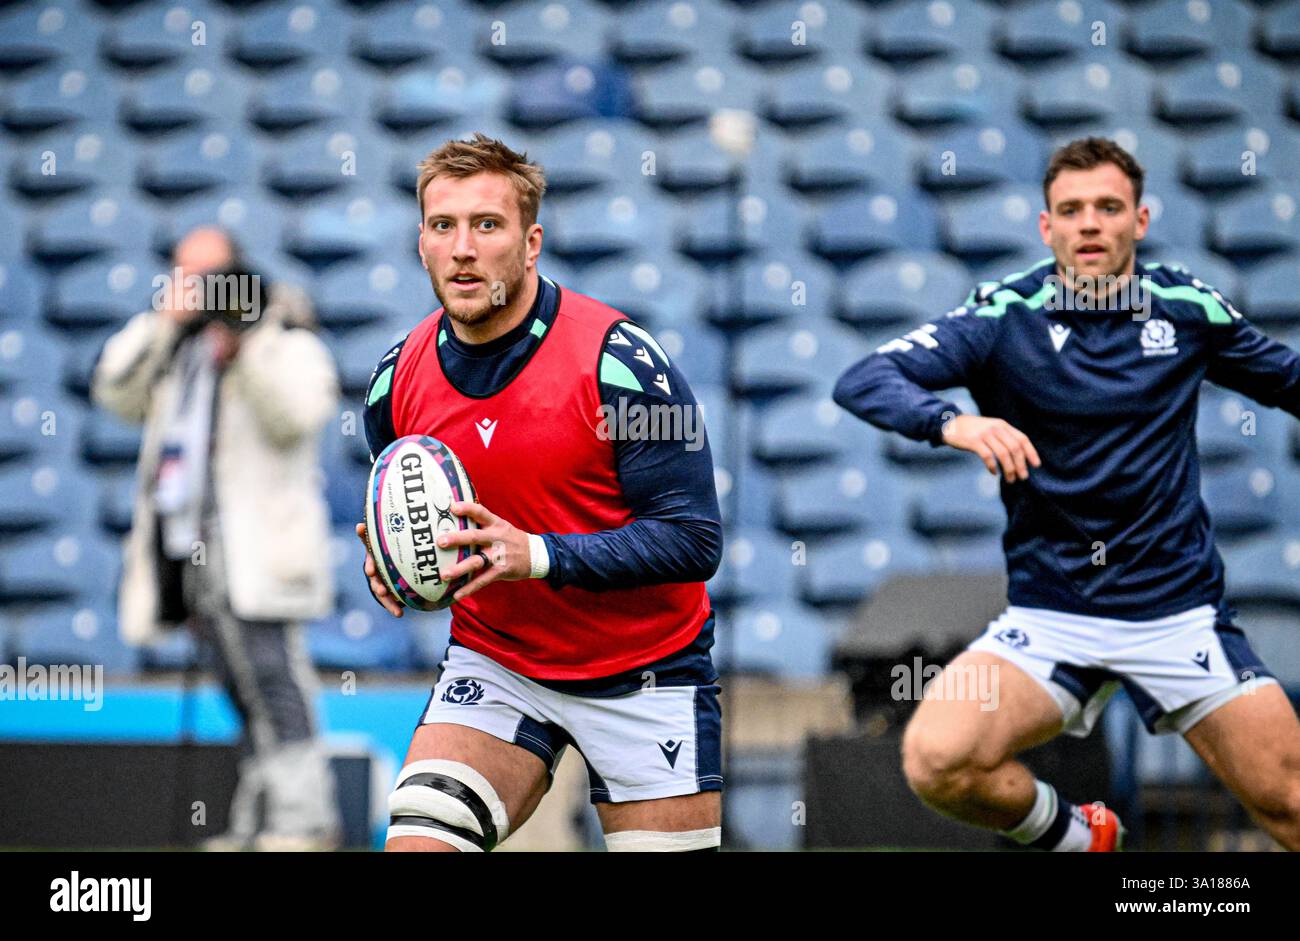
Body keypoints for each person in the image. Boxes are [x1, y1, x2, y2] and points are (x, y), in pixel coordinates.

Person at [833, 137, 1300, 851]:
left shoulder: (1185, 308)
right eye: (1071, 209)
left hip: (1175, 612)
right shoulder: (1001, 314)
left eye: (1108, 207)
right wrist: (953, 421)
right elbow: (864, 378)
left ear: (1139, 221)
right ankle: (1082, 838)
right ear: (1046, 227)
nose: (1090, 224)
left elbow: (1291, 381)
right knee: (937, 757)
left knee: (1287, 801)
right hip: (1053, 614)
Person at [359, 134, 725, 852]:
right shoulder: (393, 381)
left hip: (645, 669)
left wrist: (536, 554)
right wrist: (388, 551)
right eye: (443, 226)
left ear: (531, 243)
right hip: (498, 661)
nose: (463, 247)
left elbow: (695, 539)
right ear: (422, 243)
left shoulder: (624, 364)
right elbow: (406, 508)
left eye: (486, 225)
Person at [93, 227, 342, 851]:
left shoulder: (283, 337)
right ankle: (262, 821)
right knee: (241, 688)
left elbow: (298, 417)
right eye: (185, 272)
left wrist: (247, 342)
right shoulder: (177, 347)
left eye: (210, 274)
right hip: (187, 545)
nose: (198, 288)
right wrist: (163, 324)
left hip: (258, 549)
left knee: (275, 680)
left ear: (242, 271)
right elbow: (114, 392)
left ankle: (304, 821)